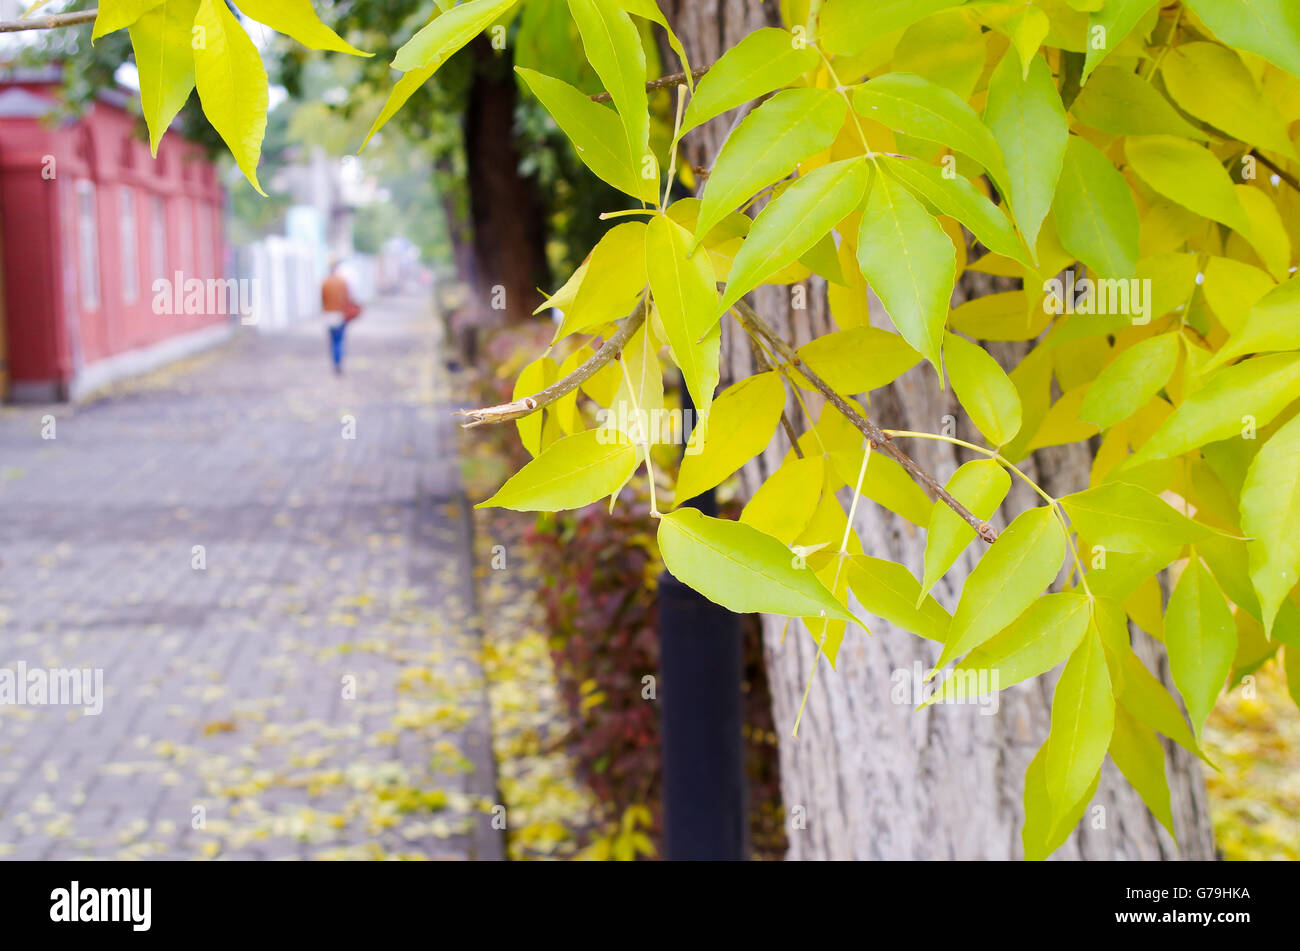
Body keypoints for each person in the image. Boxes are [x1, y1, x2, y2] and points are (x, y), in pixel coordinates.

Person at [321, 259, 361, 375]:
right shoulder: (342, 282)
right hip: (339, 314)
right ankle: (338, 362)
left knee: (333, 340)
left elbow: (322, 300)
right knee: (339, 340)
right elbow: (348, 298)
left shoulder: (325, 283)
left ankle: (335, 361)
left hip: (329, 315)